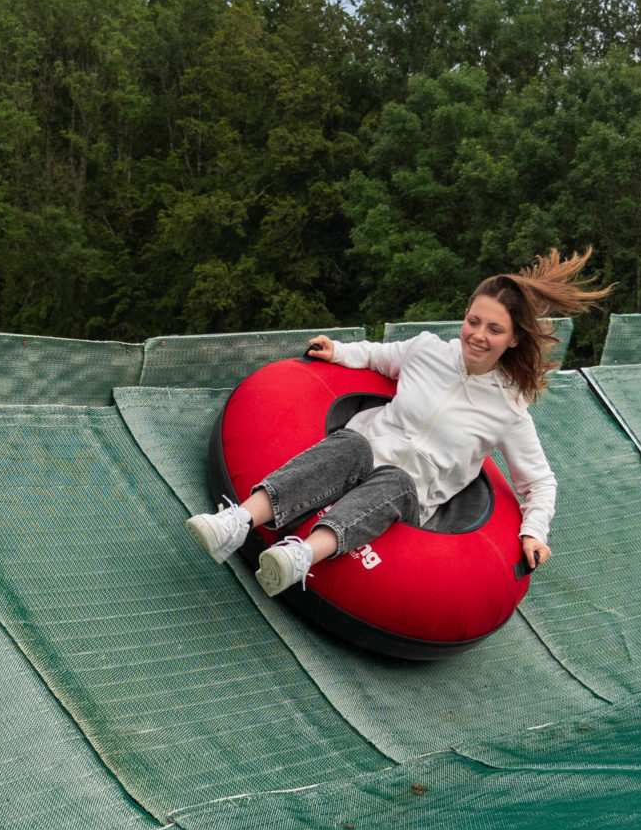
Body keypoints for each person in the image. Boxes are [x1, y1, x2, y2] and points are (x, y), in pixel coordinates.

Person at [187, 251, 613, 596]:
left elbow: (539, 482)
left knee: (393, 480)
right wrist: (339, 351)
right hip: (364, 453)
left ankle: (300, 557)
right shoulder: (427, 350)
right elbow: (377, 356)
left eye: (495, 329)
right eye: (474, 321)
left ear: (514, 338)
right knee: (354, 443)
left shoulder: (508, 409)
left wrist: (534, 532)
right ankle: (237, 521)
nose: (479, 335)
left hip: (410, 492)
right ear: (464, 316)